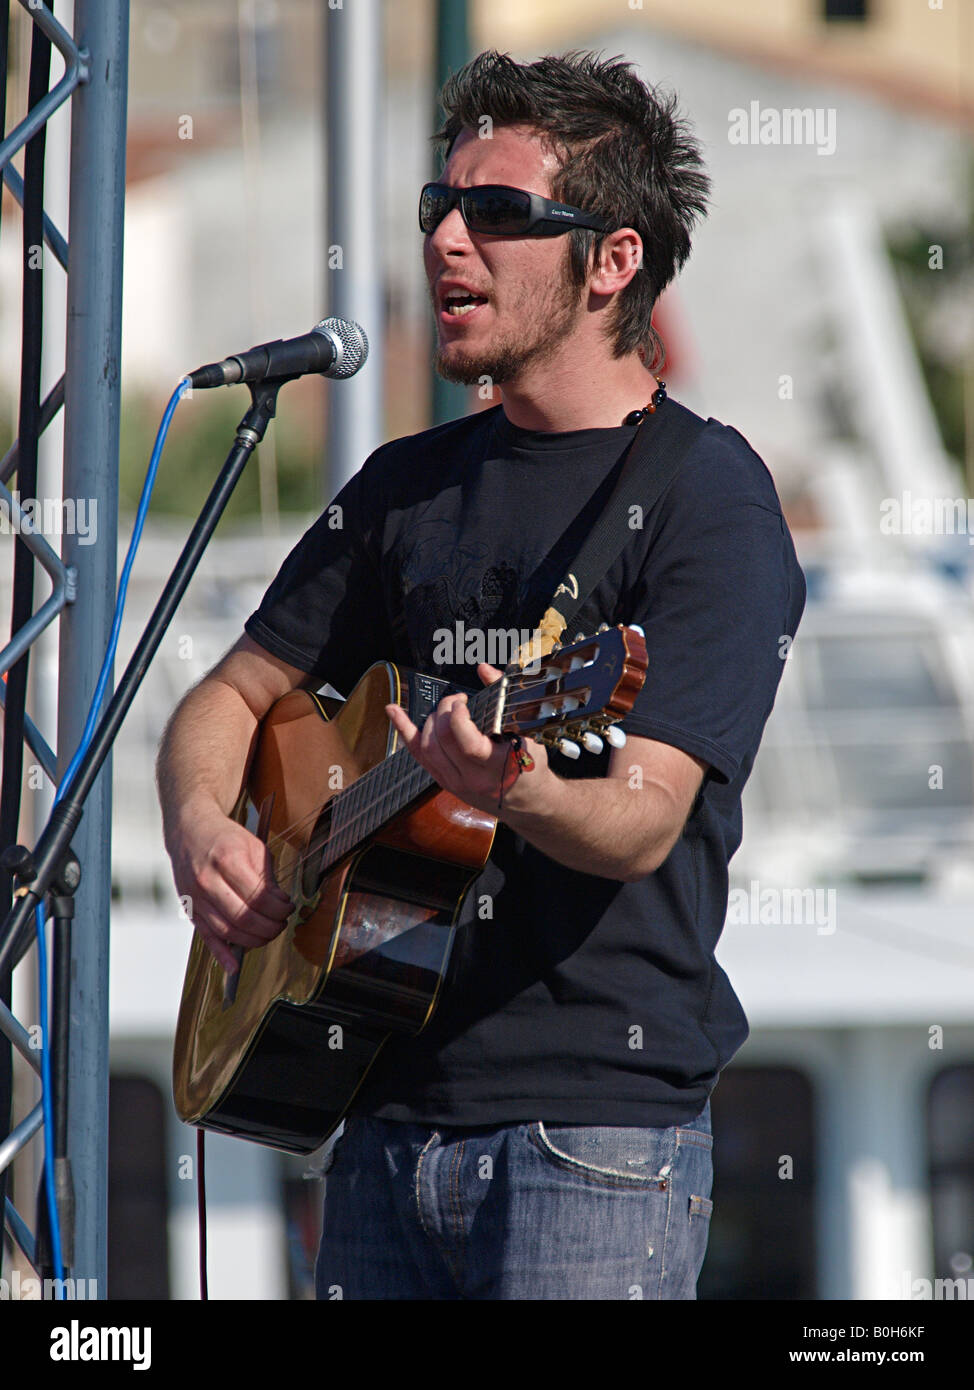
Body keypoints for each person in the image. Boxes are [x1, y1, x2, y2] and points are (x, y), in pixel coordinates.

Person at [156, 50, 805, 1300]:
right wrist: (199, 827)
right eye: (436, 210)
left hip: (590, 1134)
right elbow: (226, 697)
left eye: (497, 214)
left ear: (612, 260)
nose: (447, 241)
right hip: (377, 1108)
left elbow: (642, 817)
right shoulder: (404, 486)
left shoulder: (705, 500)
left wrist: (506, 788)